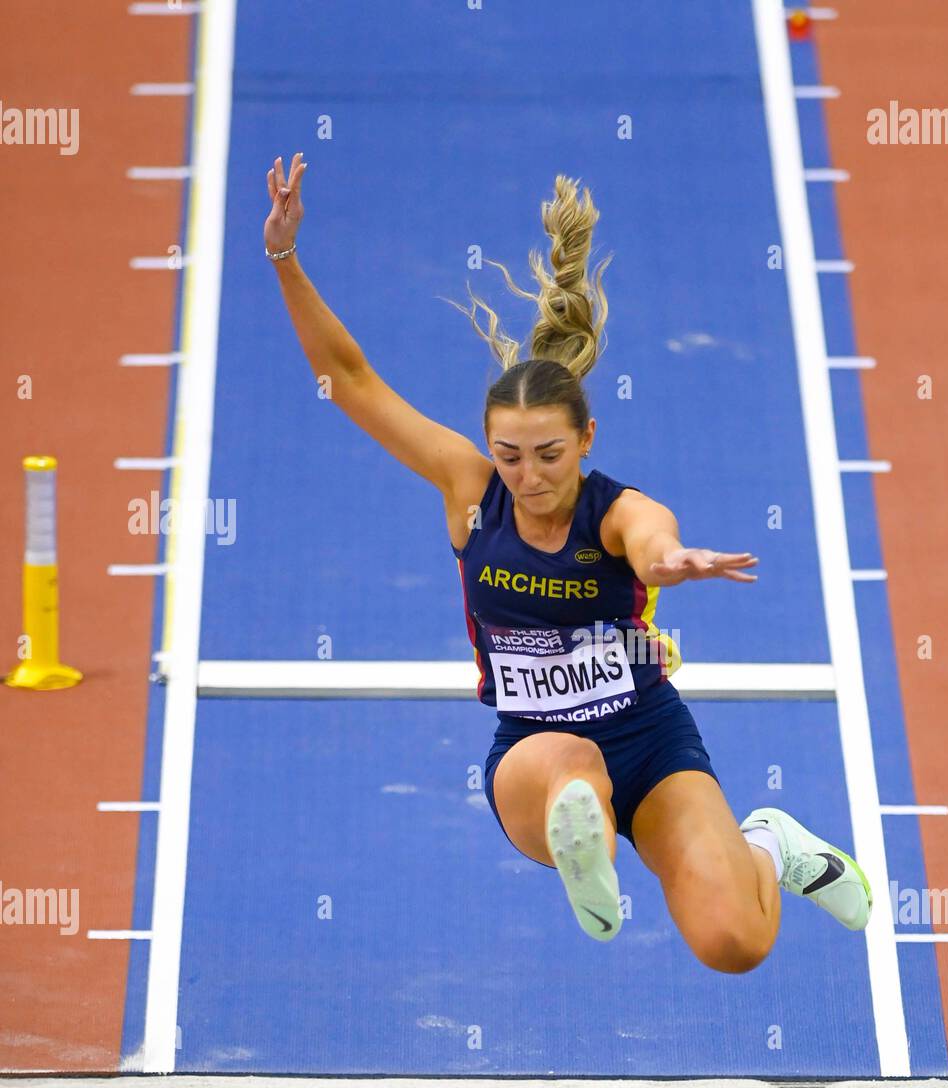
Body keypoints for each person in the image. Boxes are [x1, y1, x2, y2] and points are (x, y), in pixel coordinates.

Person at [265, 155, 871, 972]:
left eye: (549, 453)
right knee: (576, 773)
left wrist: (671, 562)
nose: (528, 475)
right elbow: (347, 378)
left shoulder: (615, 511)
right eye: (508, 455)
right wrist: (284, 256)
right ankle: (588, 858)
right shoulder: (469, 493)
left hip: (650, 738)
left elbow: (652, 544)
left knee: (736, 943)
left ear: (586, 441)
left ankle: (770, 844)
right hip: (535, 756)